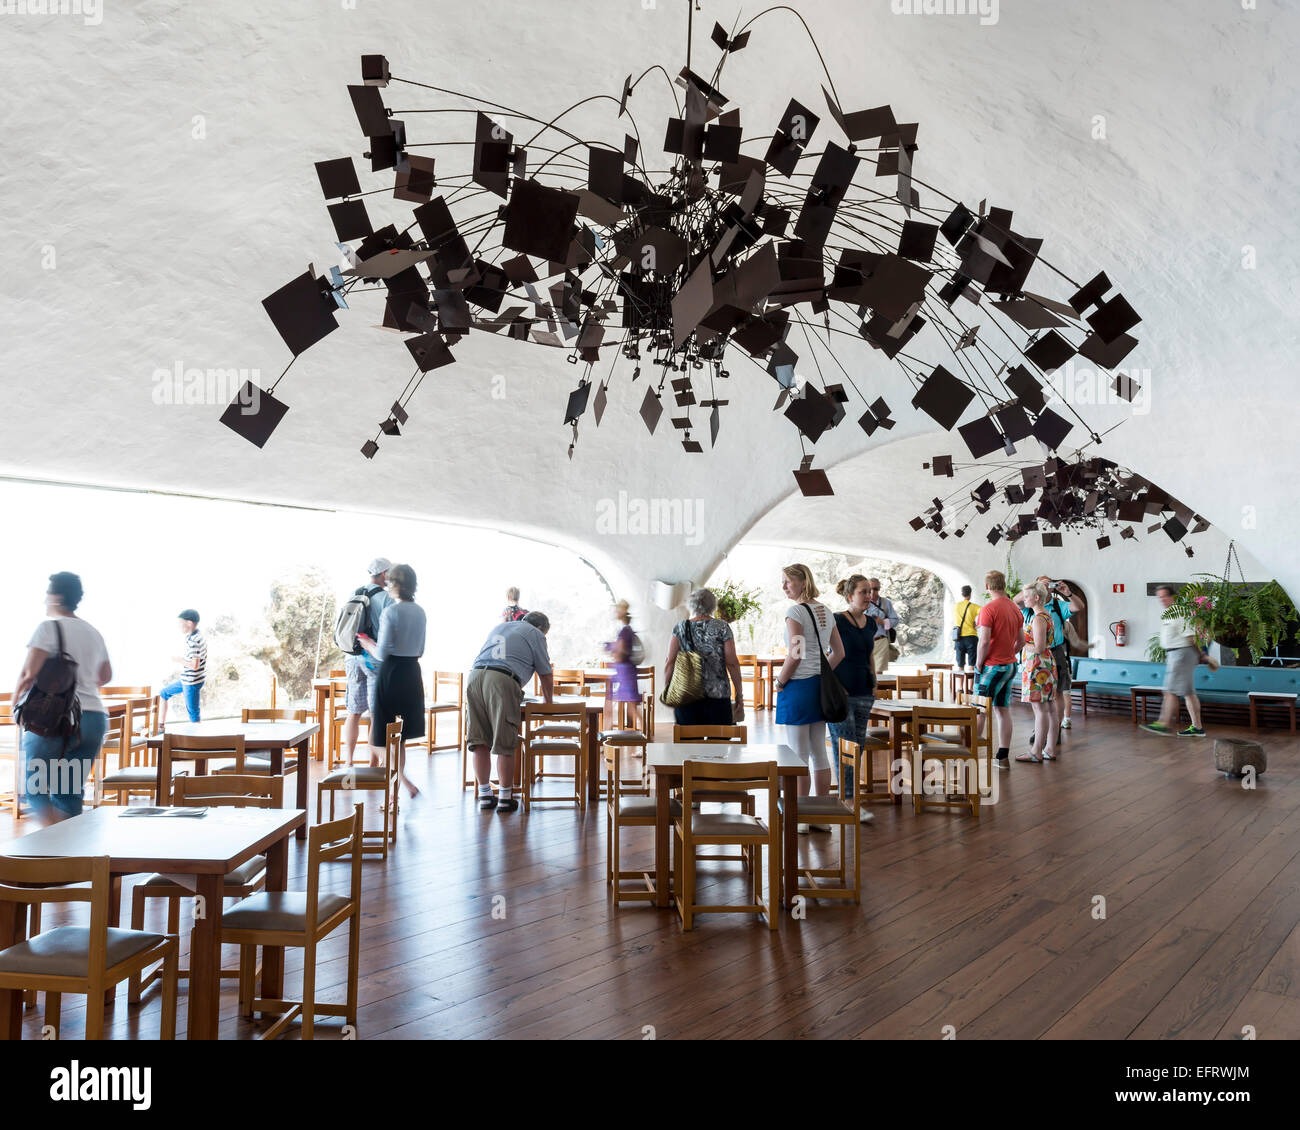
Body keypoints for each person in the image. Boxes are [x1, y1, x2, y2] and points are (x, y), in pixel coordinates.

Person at [13, 572, 112, 825]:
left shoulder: (48, 628)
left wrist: (16, 707)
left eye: (48, 593)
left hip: (55, 720)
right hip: (93, 720)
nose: (46, 599)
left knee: (35, 787)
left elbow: (28, 674)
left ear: (57, 597)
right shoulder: (93, 632)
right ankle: (69, 855)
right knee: (68, 792)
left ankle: (52, 848)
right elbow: (106, 675)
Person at [774, 564, 844, 833]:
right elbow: (838, 653)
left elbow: (796, 653)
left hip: (799, 686)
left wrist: (780, 681)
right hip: (819, 687)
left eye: (788, 581)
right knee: (818, 751)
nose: (784, 587)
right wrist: (821, 671)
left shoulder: (795, 612)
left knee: (797, 754)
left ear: (803, 582)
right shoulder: (826, 610)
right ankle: (821, 815)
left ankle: (800, 815)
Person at [466, 611, 554, 813]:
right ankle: (505, 797)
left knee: (479, 741)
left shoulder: (501, 626)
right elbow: (546, 673)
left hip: (475, 676)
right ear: (541, 628)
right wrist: (548, 703)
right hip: (502, 681)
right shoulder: (535, 633)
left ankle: (485, 795)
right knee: (505, 740)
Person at [357, 563, 423, 798]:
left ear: (392, 585)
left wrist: (365, 642)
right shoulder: (420, 612)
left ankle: (401, 781)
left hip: (392, 673)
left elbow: (382, 653)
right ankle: (395, 794)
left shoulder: (391, 612)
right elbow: (421, 650)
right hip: (412, 673)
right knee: (401, 738)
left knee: (379, 737)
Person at [828, 573, 876, 824]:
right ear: (849, 596)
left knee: (858, 746)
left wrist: (874, 681)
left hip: (864, 692)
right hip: (840, 693)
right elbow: (829, 656)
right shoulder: (836, 621)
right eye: (863, 592)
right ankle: (848, 799)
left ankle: (850, 796)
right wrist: (835, 685)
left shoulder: (871, 623)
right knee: (843, 744)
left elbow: (870, 655)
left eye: (870, 591)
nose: (869, 596)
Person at [663, 588, 744, 726]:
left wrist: (668, 690)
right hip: (718, 697)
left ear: (691, 605)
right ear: (713, 605)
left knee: (690, 744)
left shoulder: (680, 628)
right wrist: (739, 695)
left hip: (687, 697)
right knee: (719, 743)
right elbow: (732, 663)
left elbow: (670, 662)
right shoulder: (722, 627)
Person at [1015, 575, 1083, 734]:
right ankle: (1042, 729)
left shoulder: (1058, 606)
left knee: (1058, 693)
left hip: (1054, 651)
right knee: (1037, 696)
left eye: (1048, 583)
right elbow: (1016, 600)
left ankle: (1055, 729)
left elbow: (1079, 607)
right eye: (1041, 583)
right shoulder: (1028, 608)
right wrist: (1034, 587)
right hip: (1033, 656)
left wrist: (1068, 592)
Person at [341, 558, 392, 766]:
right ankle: (373, 765)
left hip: (352, 657)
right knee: (375, 713)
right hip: (373, 658)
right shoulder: (386, 598)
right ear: (384, 574)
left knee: (353, 712)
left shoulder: (355, 593)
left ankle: (348, 761)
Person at [1141, 585, 1207, 738]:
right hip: (1176, 654)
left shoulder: (1179, 612)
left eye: (1164, 596)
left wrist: (1200, 654)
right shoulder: (1169, 613)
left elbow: (1190, 637)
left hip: (1181, 653)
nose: (1162, 600)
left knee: (1170, 691)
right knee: (1188, 693)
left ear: (1173, 597)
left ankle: (1163, 724)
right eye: (1159, 597)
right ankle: (1197, 727)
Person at [974, 570, 1024, 771]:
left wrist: (979, 662)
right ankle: (1002, 757)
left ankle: (968, 753)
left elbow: (984, 641)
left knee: (978, 709)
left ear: (987, 587)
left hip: (992, 666)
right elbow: (1021, 641)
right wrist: (1007, 653)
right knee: (1002, 710)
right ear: (1003, 585)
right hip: (1010, 665)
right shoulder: (1015, 608)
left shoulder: (988, 609)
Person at [1016, 581, 1059, 763]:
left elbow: (1039, 647)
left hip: (1038, 665)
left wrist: (1020, 643)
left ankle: (1036, 751)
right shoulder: (1045, 615)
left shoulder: (1039, 618)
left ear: (1036, 598)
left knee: (1040, 709)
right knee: (1048, 708)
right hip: (1044, 663)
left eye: (1027, 596)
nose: (1024, 599)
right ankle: (1049, 748)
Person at [158, 609, 206, 725]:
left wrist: (178, 660)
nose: (179, 626)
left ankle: (197, 739)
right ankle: (160, 727)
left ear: (189, 623)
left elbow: (195, 665)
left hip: (191, 681)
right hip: (187, 679)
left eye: (181, 623)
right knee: (164, 693)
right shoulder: (193, 636)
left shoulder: (195, 640)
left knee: (193, 714)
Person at [604, 599, 642, 730]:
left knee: (630, 707)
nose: (615, 612)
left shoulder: (624, 631)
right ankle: (606, 731)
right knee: (630, 707)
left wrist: (609, 648)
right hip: (625, 671)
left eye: (617, 609)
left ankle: (605, 734)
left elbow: (620, 654)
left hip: (624, 672)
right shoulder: (627, 630)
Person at [866, 578, 898, 675]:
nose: (872, 591)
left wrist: (883, 622)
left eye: (875, 589)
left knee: (878, 673)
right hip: (865, 642)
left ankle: (878, 690)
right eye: (870, 589)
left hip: (881, 641)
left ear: (879, 589)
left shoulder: (885, 602)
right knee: (866, 672)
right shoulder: (862, 602)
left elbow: (895, 620)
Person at [953, 585, 981, 670]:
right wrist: (977, 626)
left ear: (962, 594)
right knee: (972, 663)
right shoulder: (974, 607)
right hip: (971, 637)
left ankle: (961, 684)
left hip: (958, 637)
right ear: (970, 594)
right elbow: (986, 614)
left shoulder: (956, 606)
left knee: (960, 665)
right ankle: (969, 684)